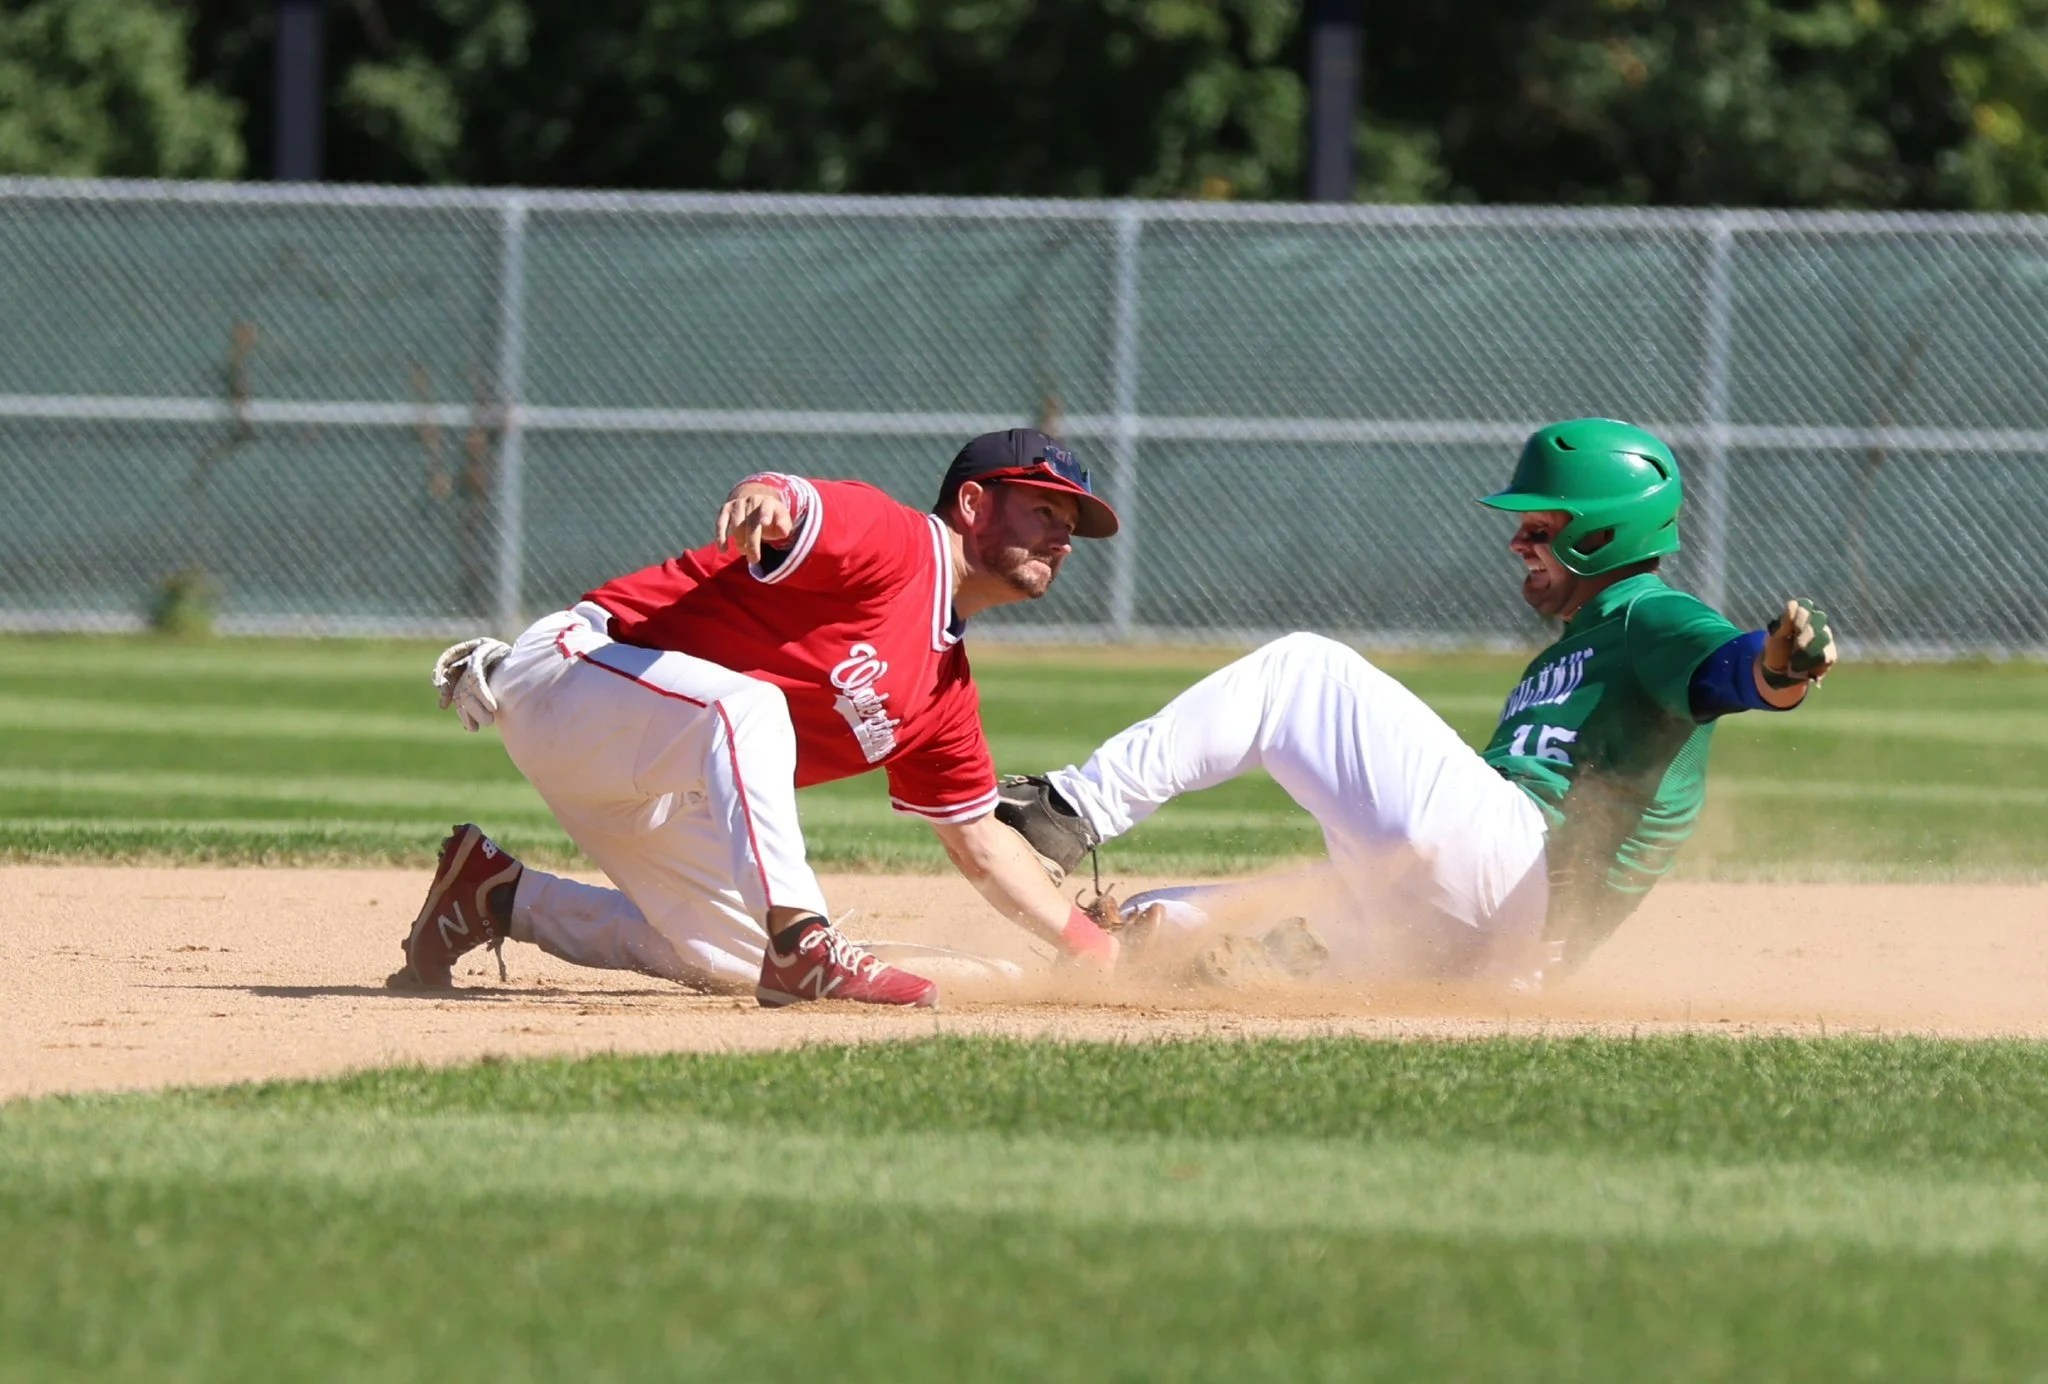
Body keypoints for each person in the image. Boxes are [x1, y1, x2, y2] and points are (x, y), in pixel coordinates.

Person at [996, 419, 1838, 986]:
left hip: (1522, 878)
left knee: (1300, 672)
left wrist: (1778, 669)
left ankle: (1067, 810)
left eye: (1540, 529)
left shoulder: (1649, 615)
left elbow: (1728, 672)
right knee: (1157, 924)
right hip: (1494, 954)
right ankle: (1185, 967)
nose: (1517, 541)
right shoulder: (1579, 645)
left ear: (1604, 534)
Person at [387, 428, 1131, 1007]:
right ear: (973, 504)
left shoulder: (944, 694)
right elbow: (793, 501)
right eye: (1044, 510)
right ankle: (805, 942)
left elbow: (982, 845)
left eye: (1070, 524)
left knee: (730, 959)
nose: (1062, 538)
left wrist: (1092, 949)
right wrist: (765, 497)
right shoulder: (900, 543)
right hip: (576, 674)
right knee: (751, 708)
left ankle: (496, 895)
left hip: (651, 776)